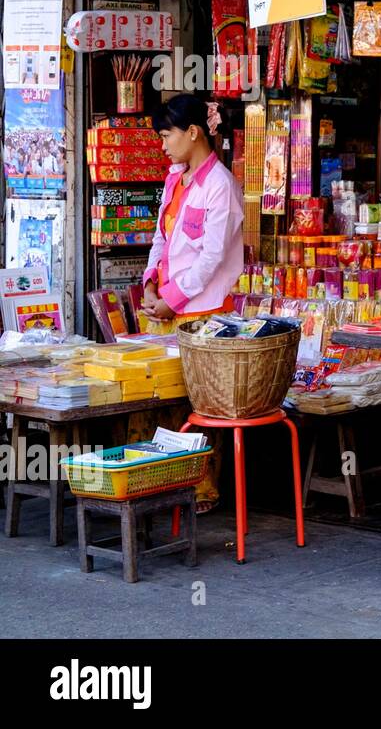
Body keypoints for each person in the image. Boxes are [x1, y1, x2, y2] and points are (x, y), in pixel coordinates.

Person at [126, 95, 244, 511]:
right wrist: (150, 282)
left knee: (197, 404)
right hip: (166, 311)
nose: (162, 145)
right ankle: (158, 481)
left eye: (166, 135)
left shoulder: (221, 186)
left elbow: (210, 259)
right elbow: (163, 236)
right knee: (159, 399)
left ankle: (200, 490)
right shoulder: (176, 178)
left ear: (192, 132)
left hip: (203, 317)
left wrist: (171, 299)